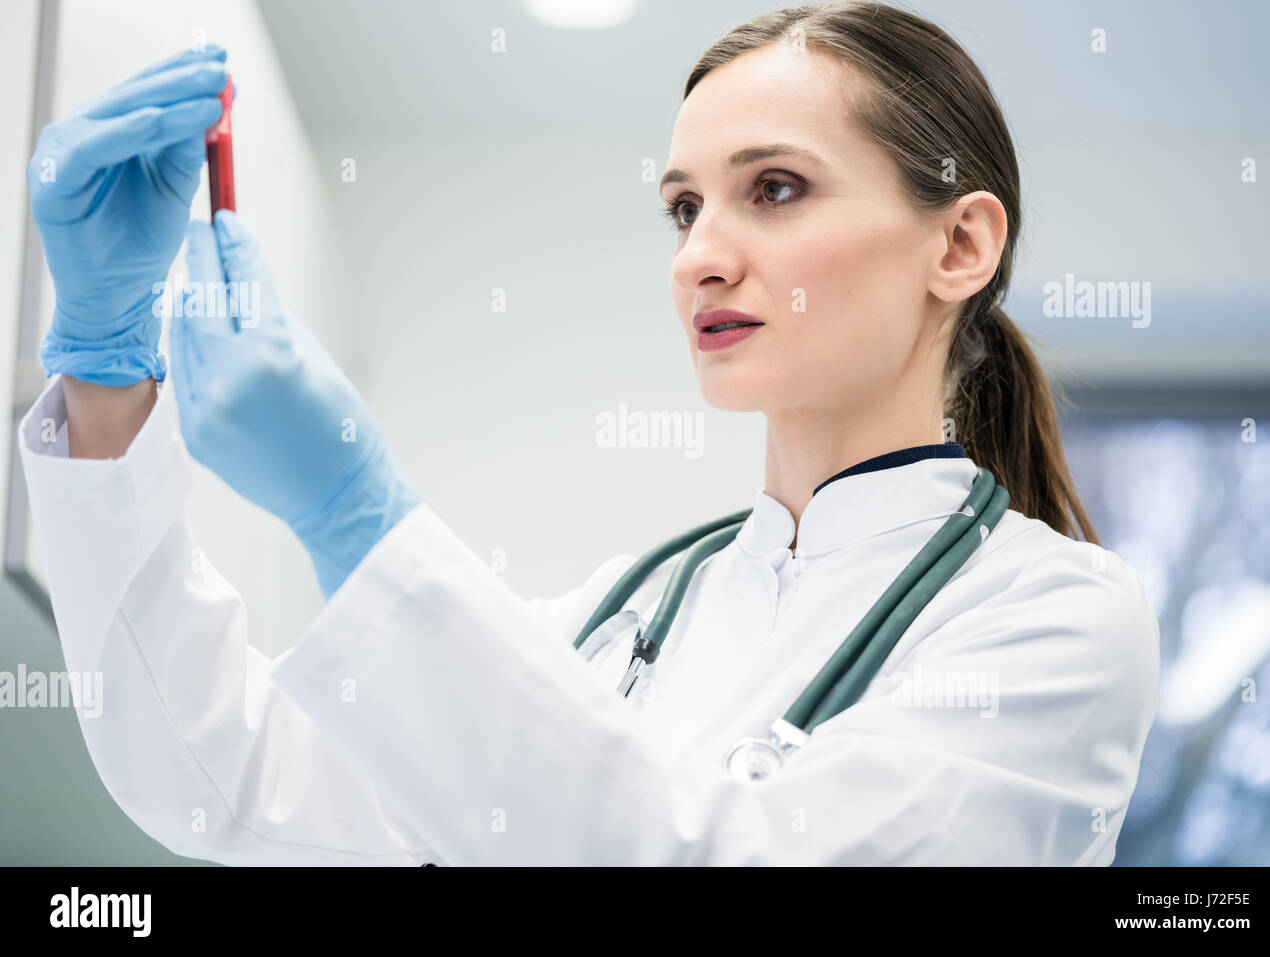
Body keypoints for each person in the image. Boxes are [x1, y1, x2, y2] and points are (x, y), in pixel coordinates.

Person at [18, 2, 1159, 866]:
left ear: (958, 247)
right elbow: (221, 777)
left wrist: (353, 516)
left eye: (772, 189)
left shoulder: (1053, 620)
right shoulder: (621, 619)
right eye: (682, 205)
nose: (697, 255)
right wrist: (103, 373)